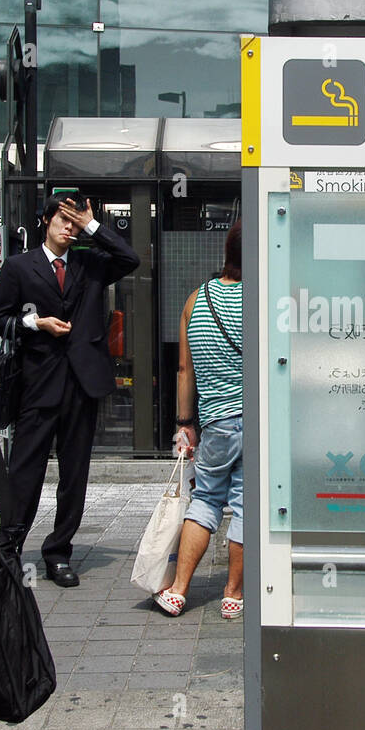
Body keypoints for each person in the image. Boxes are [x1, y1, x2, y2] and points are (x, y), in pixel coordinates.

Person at [0, 194, 140, 587]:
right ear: (45, 221)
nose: (69, 228)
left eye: (75, 222)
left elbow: (129, 259)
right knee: (25, 471)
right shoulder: (20, 267)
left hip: (81, 383)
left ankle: (58, 553)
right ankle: (10, 548)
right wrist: (36, 324)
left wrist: (93, 226)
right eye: (63, 220)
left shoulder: (90, 263)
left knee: (74, 475)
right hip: (37, 383)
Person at [156, 222, 243, 619]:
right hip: (257, 425)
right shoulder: (264, 297)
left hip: (215, 426)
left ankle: (178, 590)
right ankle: (232, 595)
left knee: (205, 499)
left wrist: (185, 422)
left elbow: (184, 370)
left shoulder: (196, 299)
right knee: (245, 507)